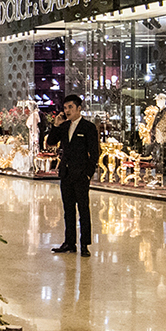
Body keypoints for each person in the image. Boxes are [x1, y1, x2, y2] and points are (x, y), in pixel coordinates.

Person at [51, 94, 98, 257]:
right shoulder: (64, 127)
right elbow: (50, 141)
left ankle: (84, 244)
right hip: (66, 174)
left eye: (70, 107)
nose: (67, 110)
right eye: (65, 108)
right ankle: (69, 242)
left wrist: (88, 175)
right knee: (68, 210)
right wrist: (56, 126)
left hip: (81, 176)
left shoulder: (88, 128)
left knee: (83, 210)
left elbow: (94, 153)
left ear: (79, 108)